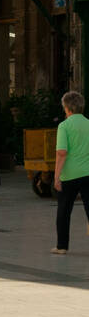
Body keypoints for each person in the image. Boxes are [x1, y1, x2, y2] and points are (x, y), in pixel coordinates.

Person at [51, 91, 89, 254]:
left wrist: (56, 176)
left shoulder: (64, 126)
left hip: (69, 174)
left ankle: (62, 246)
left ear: (67, 108)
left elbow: (61, 153)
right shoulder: (88, 123)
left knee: (64, 211)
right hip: (87, 173)